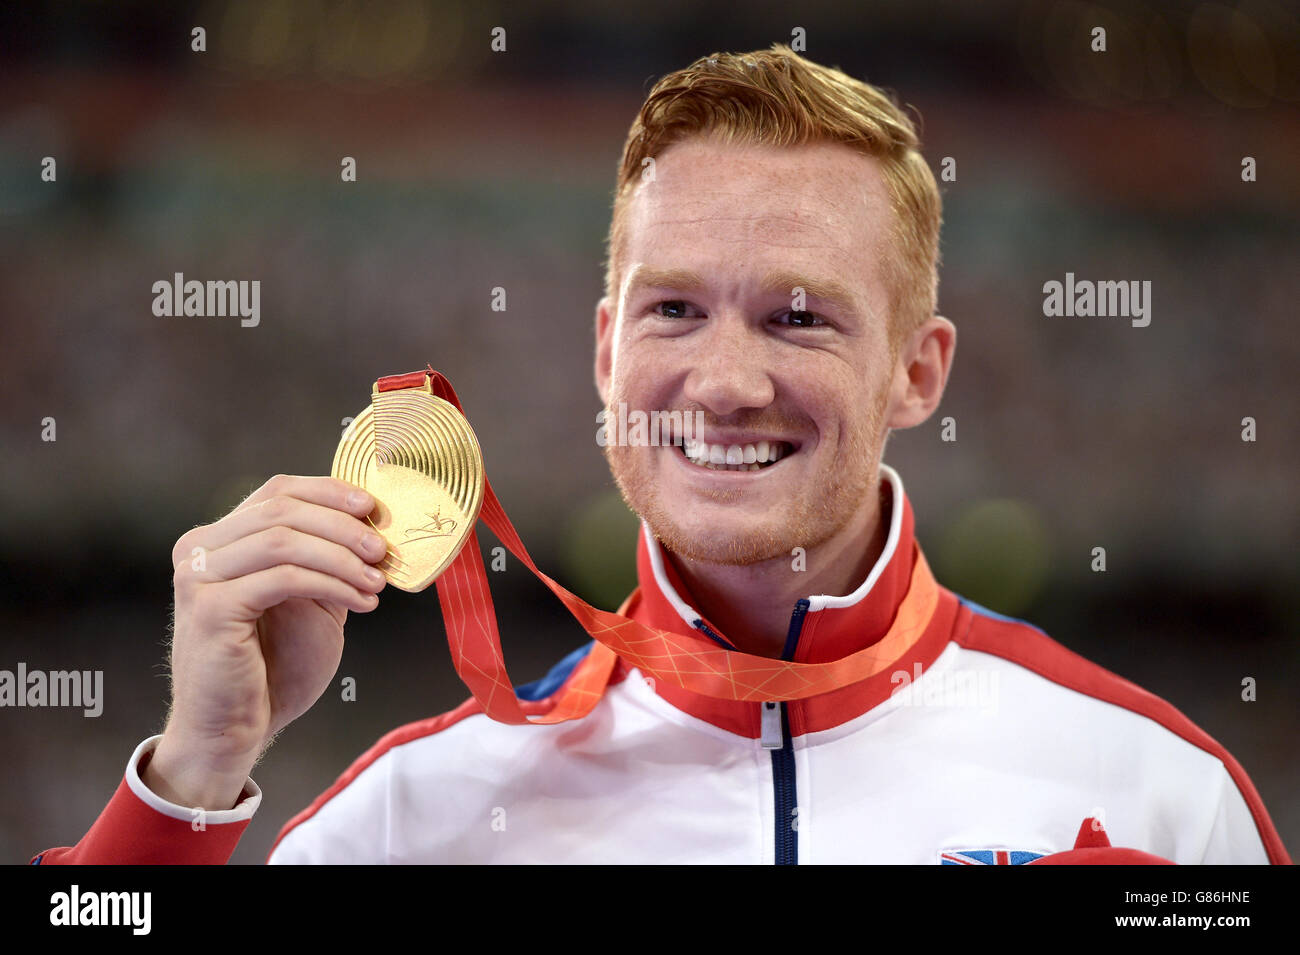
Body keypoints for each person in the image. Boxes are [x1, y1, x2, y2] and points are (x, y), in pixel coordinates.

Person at [32, 45, 1289, 865]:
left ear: (919, 370)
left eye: (798, 315)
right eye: (673, 309)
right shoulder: (416, 820)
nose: (726, 381)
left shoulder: (1160, 798)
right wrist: (188, 781)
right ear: (602, 350)